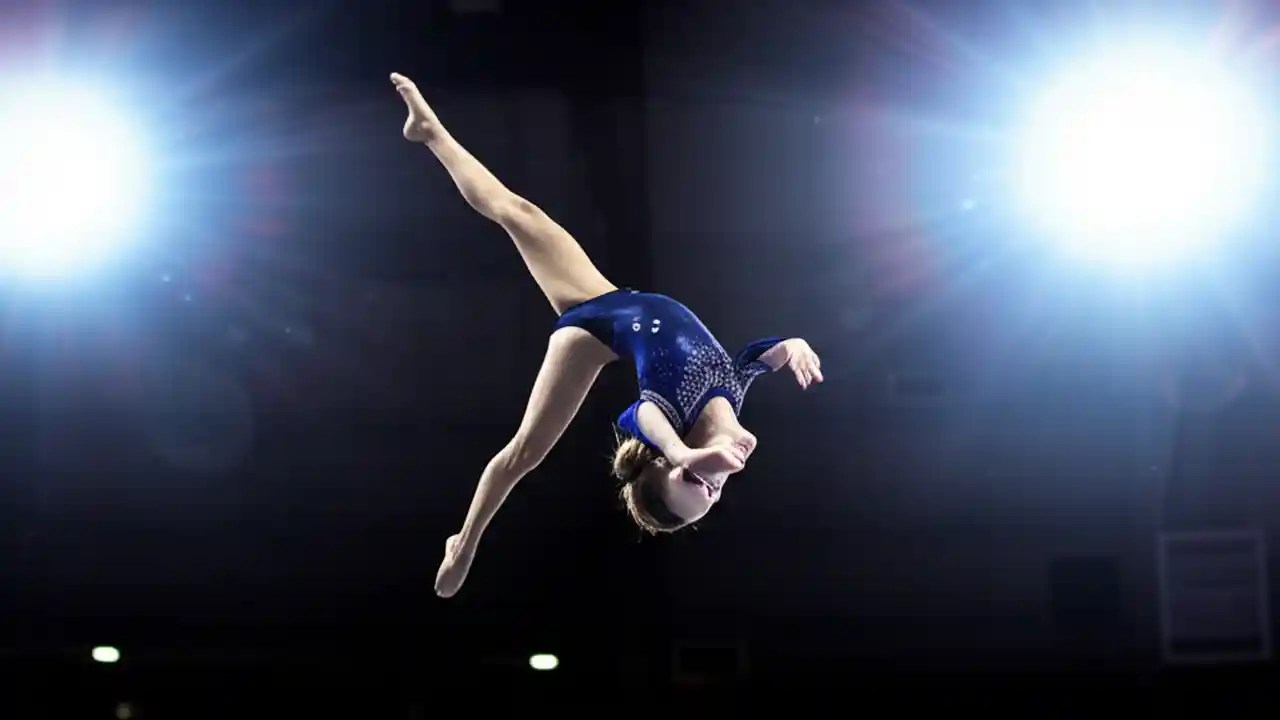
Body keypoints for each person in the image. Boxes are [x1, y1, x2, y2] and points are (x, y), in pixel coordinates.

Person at [389, 73, 824, 598]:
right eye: (710, 492)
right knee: (516, 211)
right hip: (603, 301)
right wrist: (792, 346)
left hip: (584, 334)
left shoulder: (669, 415)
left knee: (525, 452)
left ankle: (463, 543)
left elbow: (640, 416)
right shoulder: (732, 394)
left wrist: (684, 456)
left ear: (670, 458)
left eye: (693, 481)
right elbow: (756, 358)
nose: (714, 481)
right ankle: (430, 131)